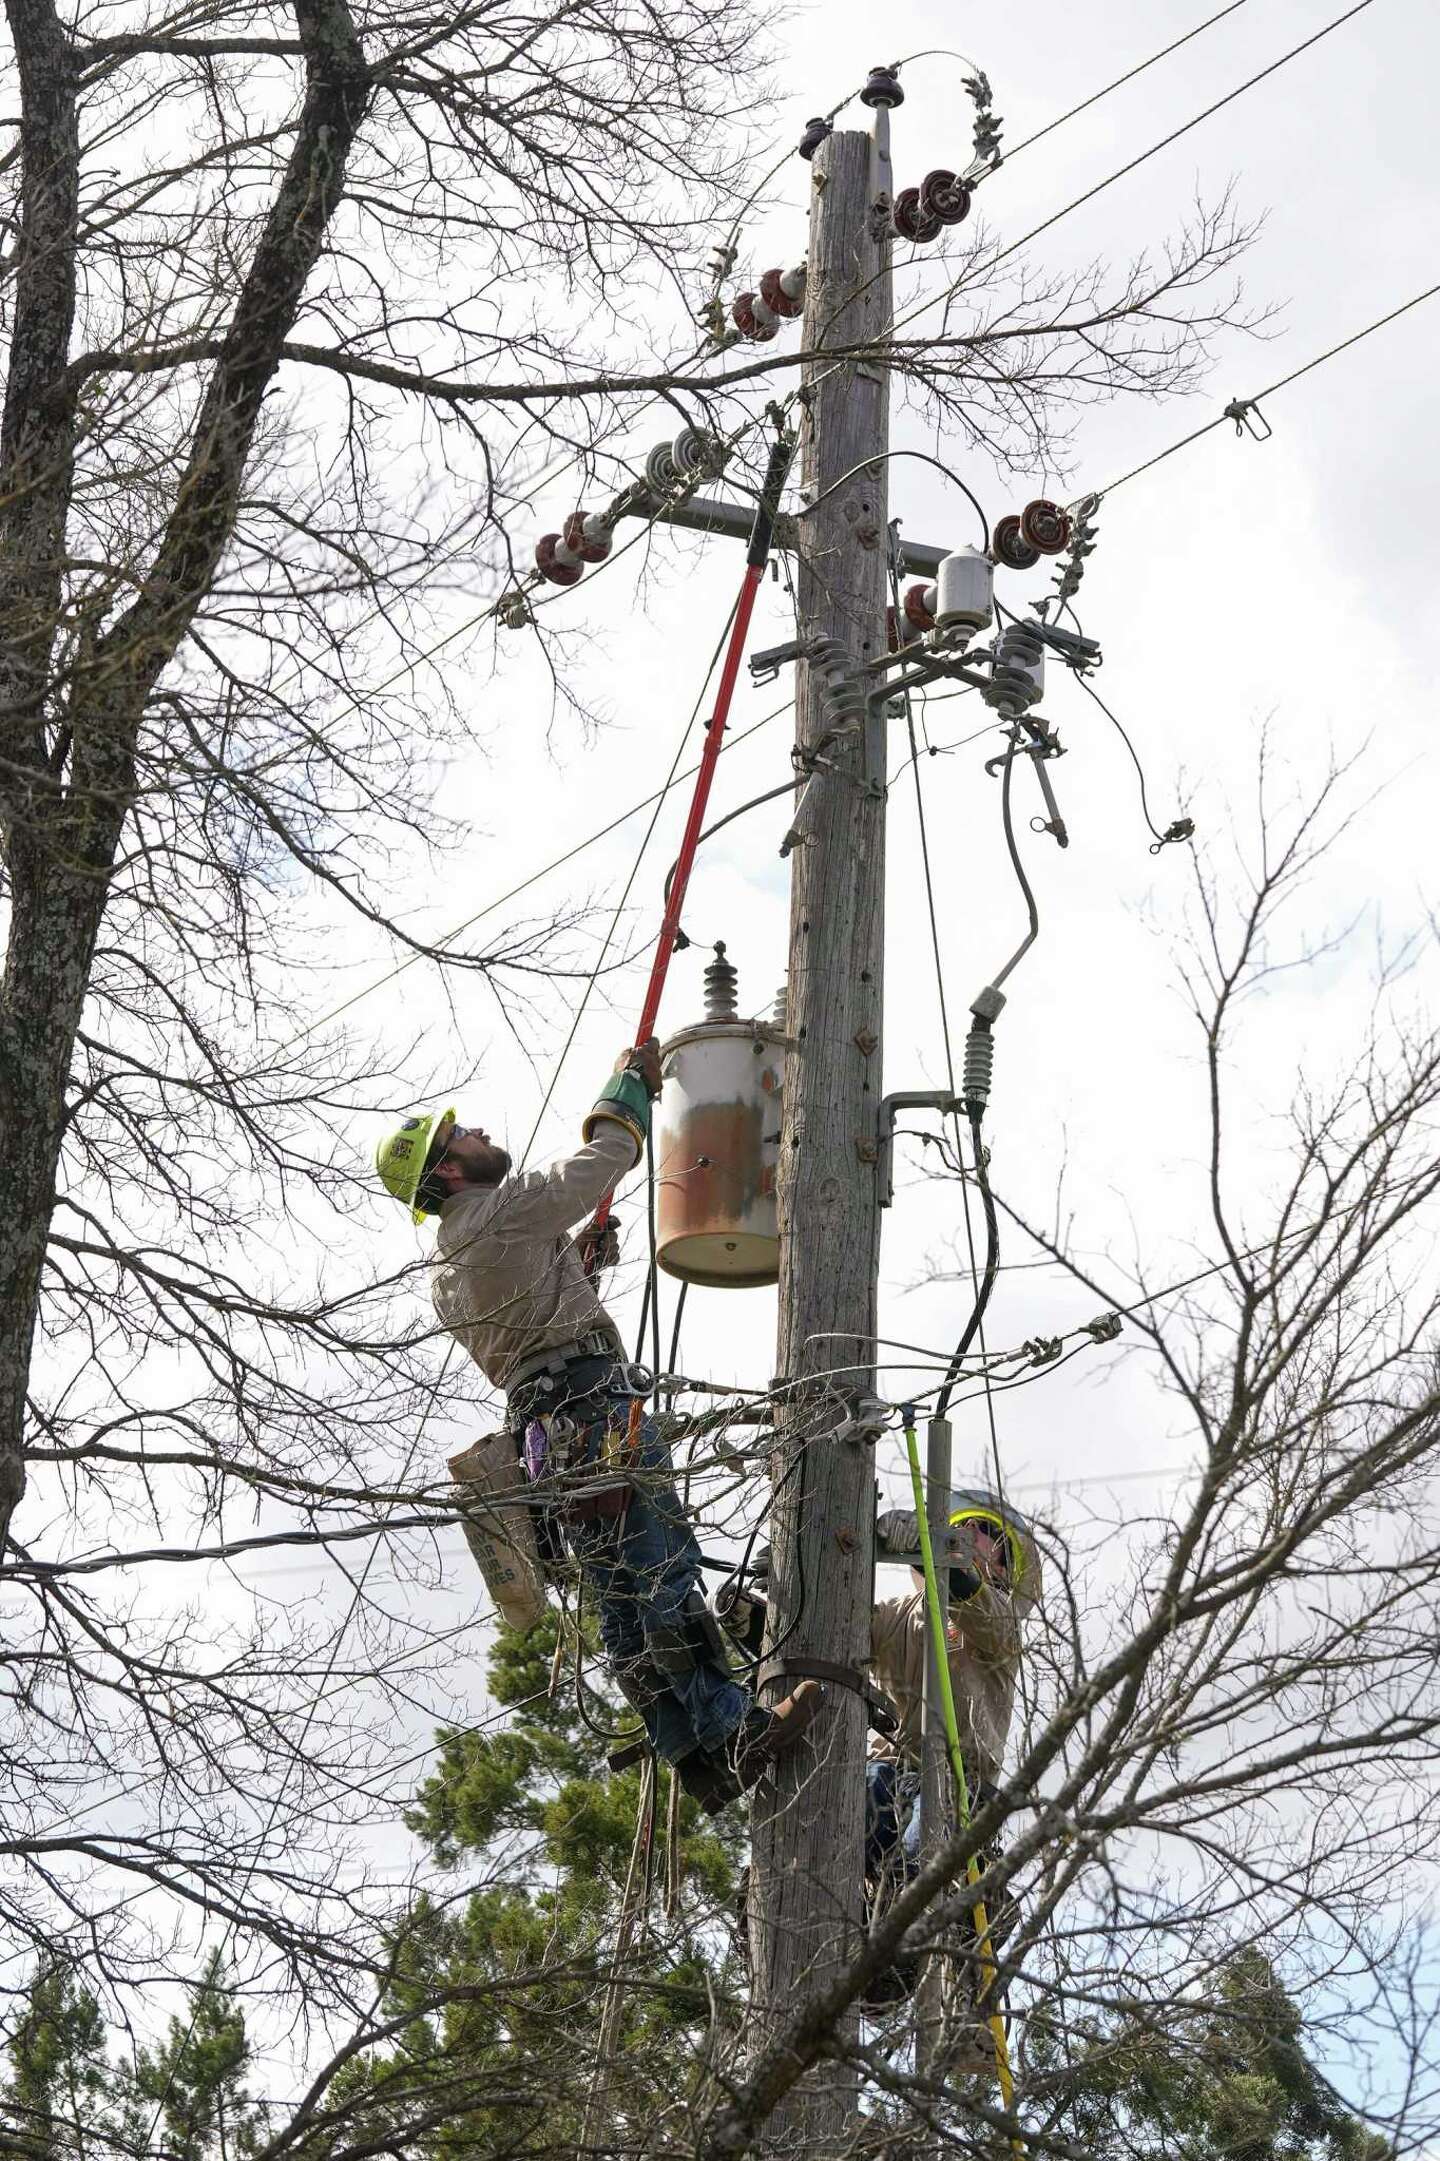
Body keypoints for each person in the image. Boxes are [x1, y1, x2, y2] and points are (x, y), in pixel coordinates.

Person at [374, 1040, 821, 1813]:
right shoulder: (501, 1210)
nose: (477, 1131)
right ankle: (735, 1729)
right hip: (595, 1411)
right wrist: (628, 1086)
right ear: (447, 1171)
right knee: (660, 1570)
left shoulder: (448, 1271)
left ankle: (693, 1757)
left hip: (545, 1440)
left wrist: (574, 1268)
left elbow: (527, 1326)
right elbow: (606, 1156)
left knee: (618, 1600)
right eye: (461, 1135)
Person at [862, 1487, 1043, 2011]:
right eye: (966, 1528)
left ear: (1005, 1565)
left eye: (988, 1535)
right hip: (889, 1770)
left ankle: (904, 1946)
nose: (973, 1539)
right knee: (839, 1823)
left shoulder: (1001, 1619)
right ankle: (860, 1932)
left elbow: (974, 1605)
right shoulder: (900, 1614)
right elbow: (841, 1635)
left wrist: (937, 1550)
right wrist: (773, 1602)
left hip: (960, 1779)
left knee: (922, 1854)